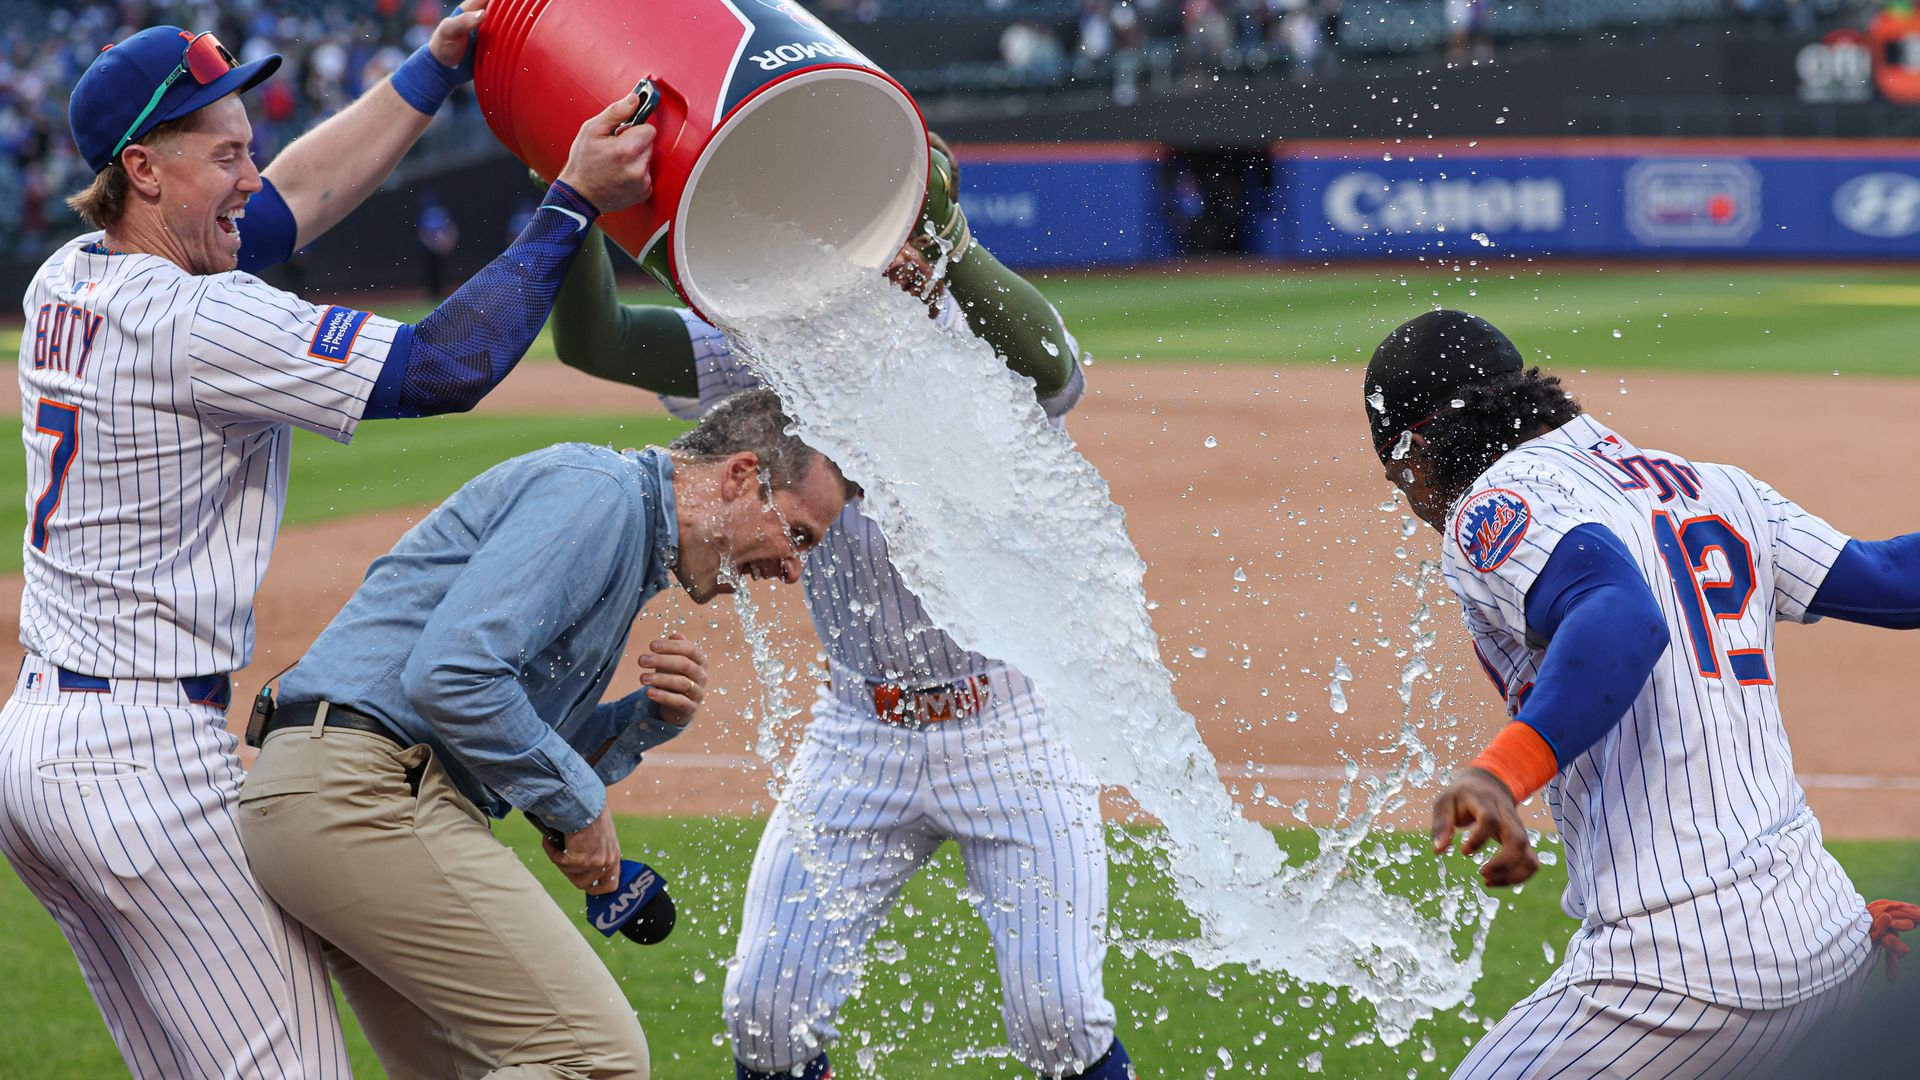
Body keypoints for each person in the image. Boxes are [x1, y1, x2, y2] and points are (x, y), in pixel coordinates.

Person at [0, 5, 657, 1076]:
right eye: (225, 154)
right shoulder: (200, 322)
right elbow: (445, 366)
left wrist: (432, 73)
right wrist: (572, 201)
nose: (252, 173)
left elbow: (296, 198)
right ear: (145, 171)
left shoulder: (67, 274)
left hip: (39, 752)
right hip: (144, 767)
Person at [551, 142, 1138, 1080]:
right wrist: (571, 193)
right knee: (765, 1019)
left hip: (1013, 724)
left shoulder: (974, 326)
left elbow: (1055, 370)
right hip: (859, 731)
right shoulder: (765, 341)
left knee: (1058, 1019)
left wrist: (952, 245)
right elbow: (595, 340)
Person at [1362, 310, 1920, 1078]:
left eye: (1399, 477)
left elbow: (1622, 618)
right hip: (1820, 933)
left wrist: (1501, 770)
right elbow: (1894, 581)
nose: (1410, 500)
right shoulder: (1713, 486)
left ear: (1416, 448)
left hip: (1678, 972)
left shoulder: (1492, 505)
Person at [237, 389, 856, 1080]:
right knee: (595, 1057)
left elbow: (496, 730)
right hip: (364, 795)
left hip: (339, 800)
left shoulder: (624, 525)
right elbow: (451, 676)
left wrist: (644, 718)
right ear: (740, 476)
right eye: (797, 534)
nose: (794, 569)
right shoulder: (601, 497)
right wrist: (581, 808)